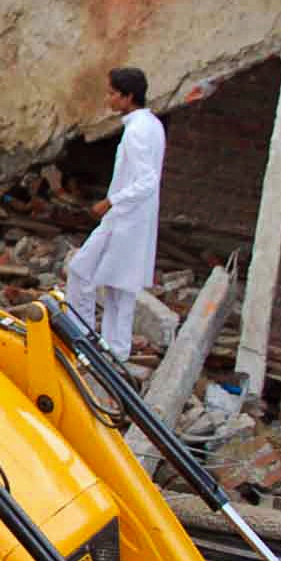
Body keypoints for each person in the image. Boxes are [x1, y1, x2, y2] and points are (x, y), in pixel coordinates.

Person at [66, 67, 165, 360]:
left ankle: (82, 338)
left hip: (125, 219)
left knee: (83, 272)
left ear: (127, 96)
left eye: (111, 93)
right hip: (130, 219)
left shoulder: (137, 130)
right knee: (118, 289)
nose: (108, 99)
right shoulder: (151, 124)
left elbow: (147, 181)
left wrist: (111, 201)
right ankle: (111, 351)